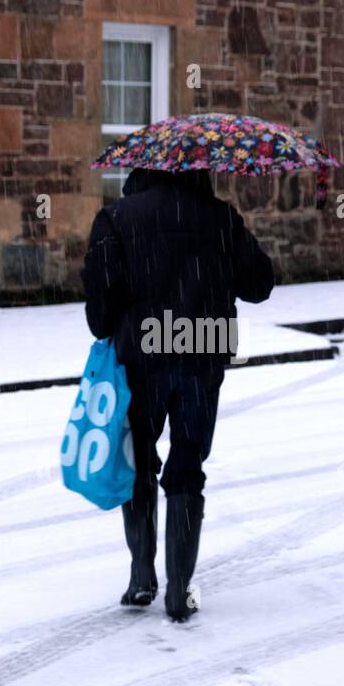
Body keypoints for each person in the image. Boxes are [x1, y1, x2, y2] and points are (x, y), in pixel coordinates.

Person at [82, 167, 275, 622]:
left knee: (141, 461)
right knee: (188, 468)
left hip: (142, 358)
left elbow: (101, 316)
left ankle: (140, 575)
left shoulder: (116, 219)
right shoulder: (220, 217)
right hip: (200, 354)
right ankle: (180, 589)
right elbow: (260, 285)